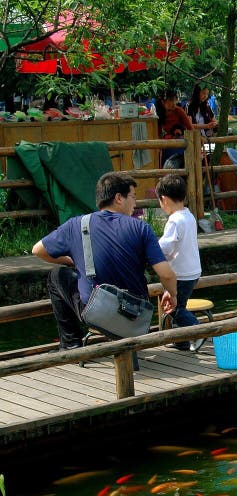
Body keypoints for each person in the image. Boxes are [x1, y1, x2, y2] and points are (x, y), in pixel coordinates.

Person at [31, 172, 177, 351]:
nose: (135, 203)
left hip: (97, 314)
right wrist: (173, 295)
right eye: (132, 197)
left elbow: (37, 250)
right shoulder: (141, 228)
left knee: (56, 275)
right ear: (118, 198)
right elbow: (166, 274)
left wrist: (72, 261)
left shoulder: (76, 225)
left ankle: (71, 345)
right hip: (135, 318)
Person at [156, 174, 204, 352]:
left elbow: (166, 247)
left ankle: (198, 330)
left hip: (181, 274)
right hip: (192, 271)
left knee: (176, 309)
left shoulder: (174, 221)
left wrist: (151, 249)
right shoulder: (189, 216)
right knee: (178, 306)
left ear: (164, 199)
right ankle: (181, 341)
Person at [156, 90, 193, 167]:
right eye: (170, 100)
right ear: (163, 102)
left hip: (180, 145)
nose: (173, 103)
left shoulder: (179, 111)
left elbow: (190, 128)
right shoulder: (158, 113)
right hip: (166, 147)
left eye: (175, 100)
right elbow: (158, 133)